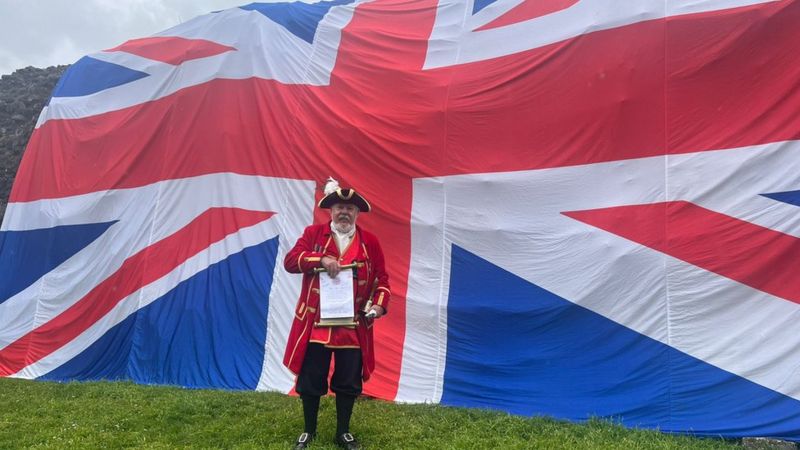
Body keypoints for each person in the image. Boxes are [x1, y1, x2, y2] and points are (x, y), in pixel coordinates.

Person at [283, 178, 390, 450]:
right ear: (330, 211)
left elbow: (382, 279)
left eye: (350, 208)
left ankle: (343, 432)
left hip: (352, 325)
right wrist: (320, 259)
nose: (344, 212)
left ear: (357, 213)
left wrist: (378, 305)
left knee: (348, 381)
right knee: (310, 379)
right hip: (316, 323)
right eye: (340, 208)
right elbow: (290, 262)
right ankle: (309, 431)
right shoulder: (313, 234)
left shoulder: (370, 242)